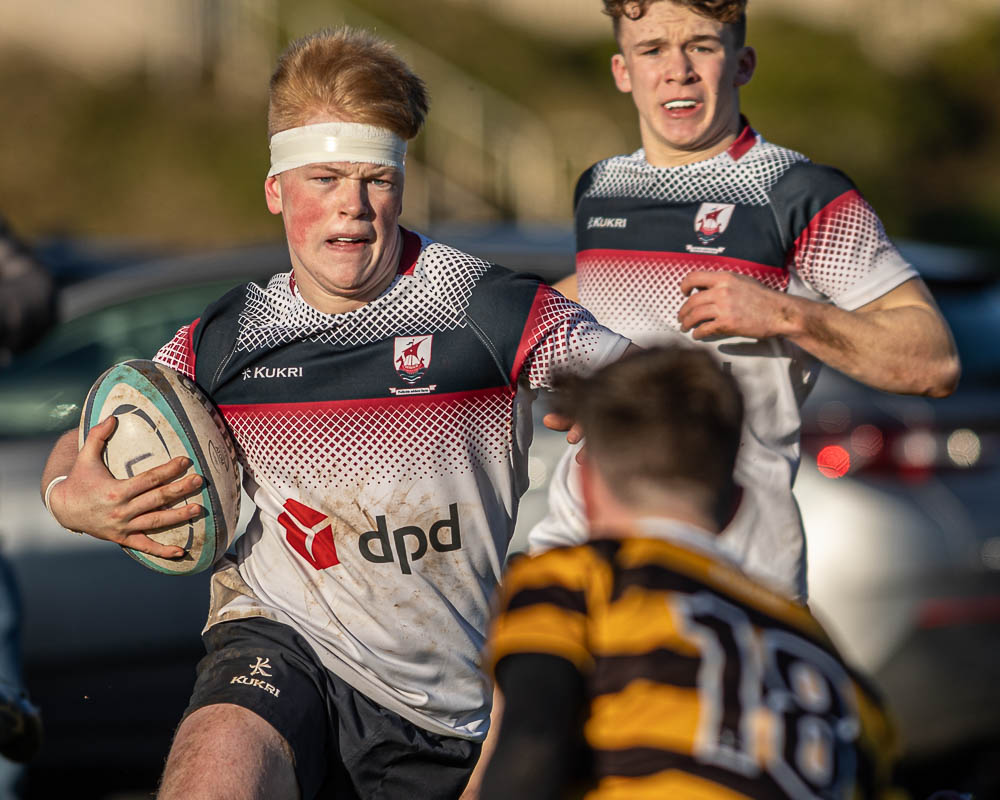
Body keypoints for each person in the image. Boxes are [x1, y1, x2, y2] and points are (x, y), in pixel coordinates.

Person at [39, 27, 633, 800]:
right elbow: (90, 435)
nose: (352, 209)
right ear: (277, 190)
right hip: (281, 640)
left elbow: (652, 391)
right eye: (324, 178)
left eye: (376, 180)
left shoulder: (485, 308)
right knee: (215, 768)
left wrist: (621, 408)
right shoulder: (226, 338)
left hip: (448, 699)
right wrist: (69, 494)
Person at [529, 0, 960, 599]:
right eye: (652, 49)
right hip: (587, 548)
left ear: (742, 63)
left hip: (734, 564)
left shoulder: (799, 193)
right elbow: (599, 287)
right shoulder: (601, 188)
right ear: (623, 71)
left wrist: (783, 312)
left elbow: (933, 363)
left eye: (702, 46)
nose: (677, 69)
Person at [482, 347, 900, 799]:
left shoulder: (572, 578)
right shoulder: (823, 651)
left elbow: (533, 740)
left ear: (584, 484)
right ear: (737, 503)